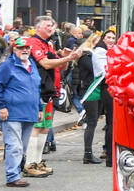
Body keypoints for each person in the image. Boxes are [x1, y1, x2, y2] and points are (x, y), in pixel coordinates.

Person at [26, 16, 81, 155]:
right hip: (38, 90)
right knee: (37, 126)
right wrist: (67, 58)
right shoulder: (33, 42)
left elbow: (62, 66)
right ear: (38, 28)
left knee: (46, 126)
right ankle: (30, 162)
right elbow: (44, 63)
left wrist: (67, 56)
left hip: (51, 91)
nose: (51, 28)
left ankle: (37, 162)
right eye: (47, 26)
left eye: (52, 25)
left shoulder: (48, 44)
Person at [0, 36, 41, 188]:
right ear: (14, 49)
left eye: (27, 48)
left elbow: (36, 88)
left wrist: (39, 108)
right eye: (21, 48)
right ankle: (12, 176)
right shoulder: (7, 66)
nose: (24, 50)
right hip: (12, 112)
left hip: (29, 111)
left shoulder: (32, 64)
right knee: (14, 146)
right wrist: (1, 107)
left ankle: (16, 172)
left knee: (22, 147)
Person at [76, 31, 104, 164]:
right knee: (91, 122)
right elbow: (96, 70)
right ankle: (87, 154)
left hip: (97, 90)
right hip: (90, 91)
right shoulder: (87, 55)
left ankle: (89, 153)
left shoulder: (92, 54)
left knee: (93, 121)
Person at [94, 29, 116, 167]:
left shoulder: (115, 51)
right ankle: (109, 155)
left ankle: (111, 152)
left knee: (114, 122)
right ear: (103, 38)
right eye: (108, 37)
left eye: (113, 37)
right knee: (111, 122)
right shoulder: (99, 52)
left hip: (117, 87)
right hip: (107, 87)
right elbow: (103, 71)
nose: (111, 40)